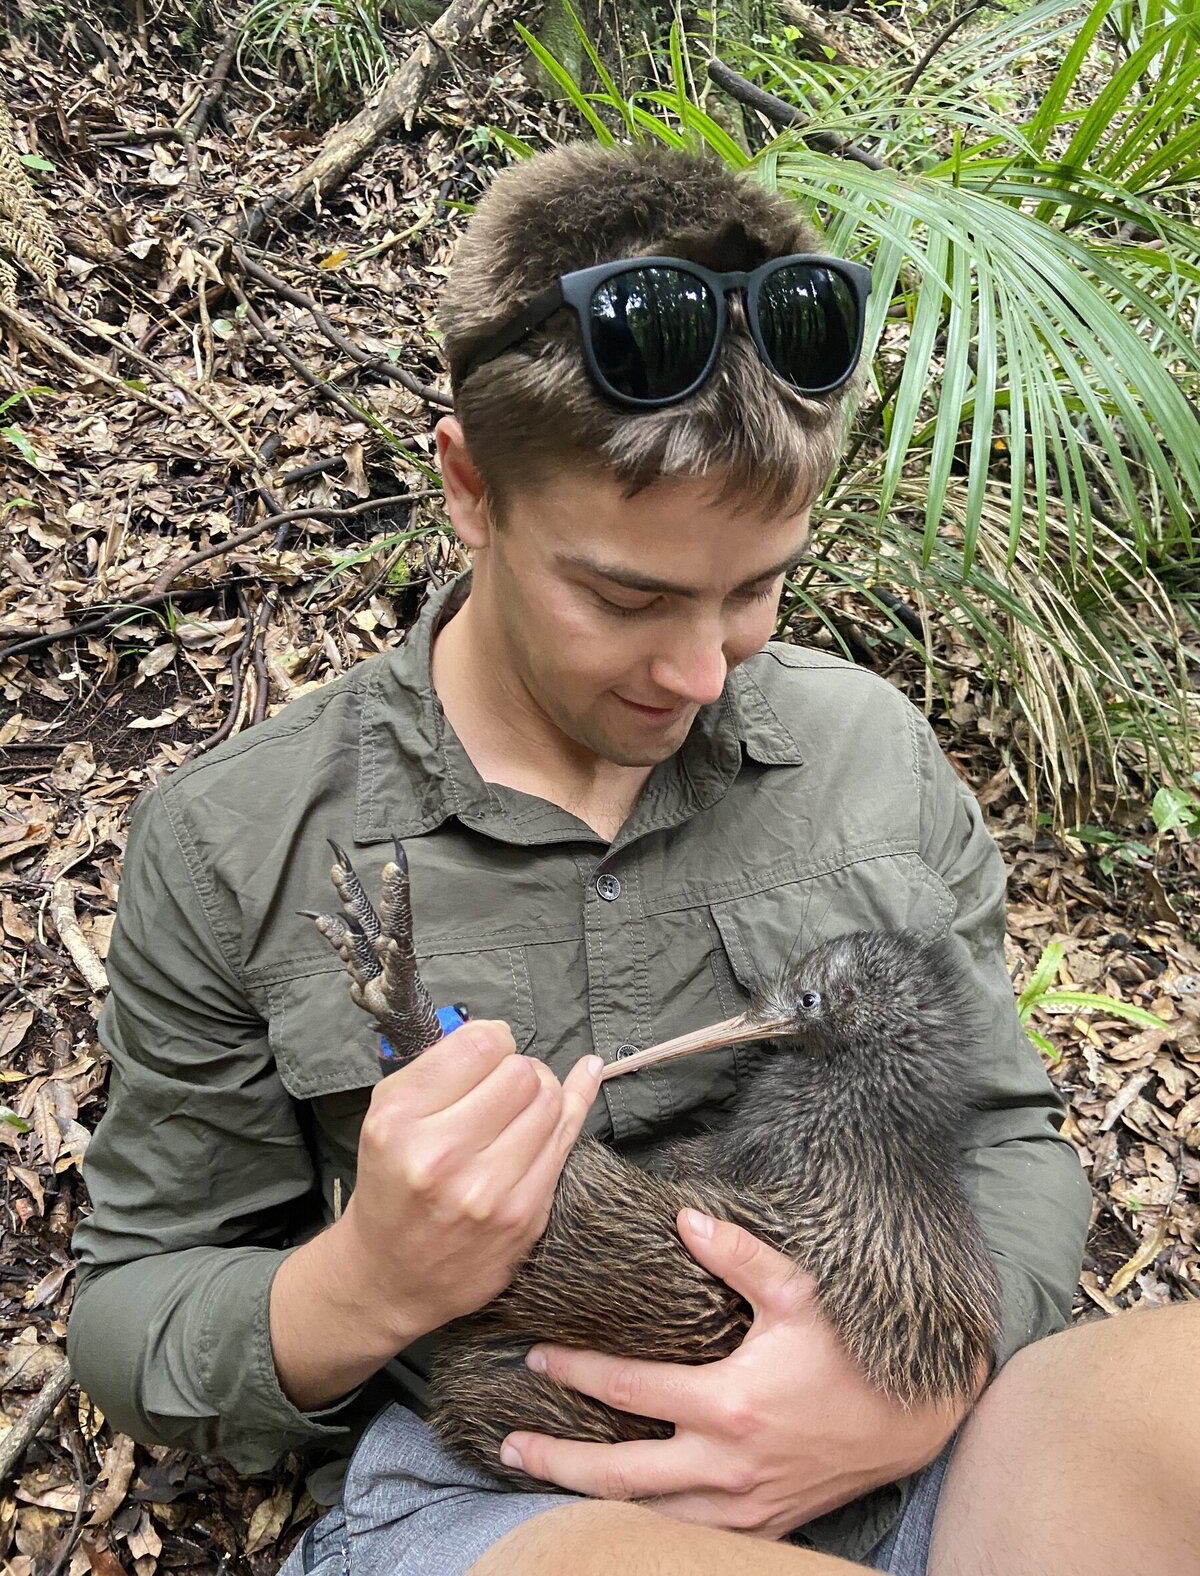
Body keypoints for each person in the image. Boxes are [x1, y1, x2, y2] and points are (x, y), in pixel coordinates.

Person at [66, 142, 1198, 1576]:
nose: (702, 671)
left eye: (757, 590)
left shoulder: (868, 749)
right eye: (626, 595)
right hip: (523, 1471)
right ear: (472, 489)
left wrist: (908, 1390)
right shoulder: (240, 840)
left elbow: (1002, 1137)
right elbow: (132, 1307)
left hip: (927, 1413)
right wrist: (368, 1279)